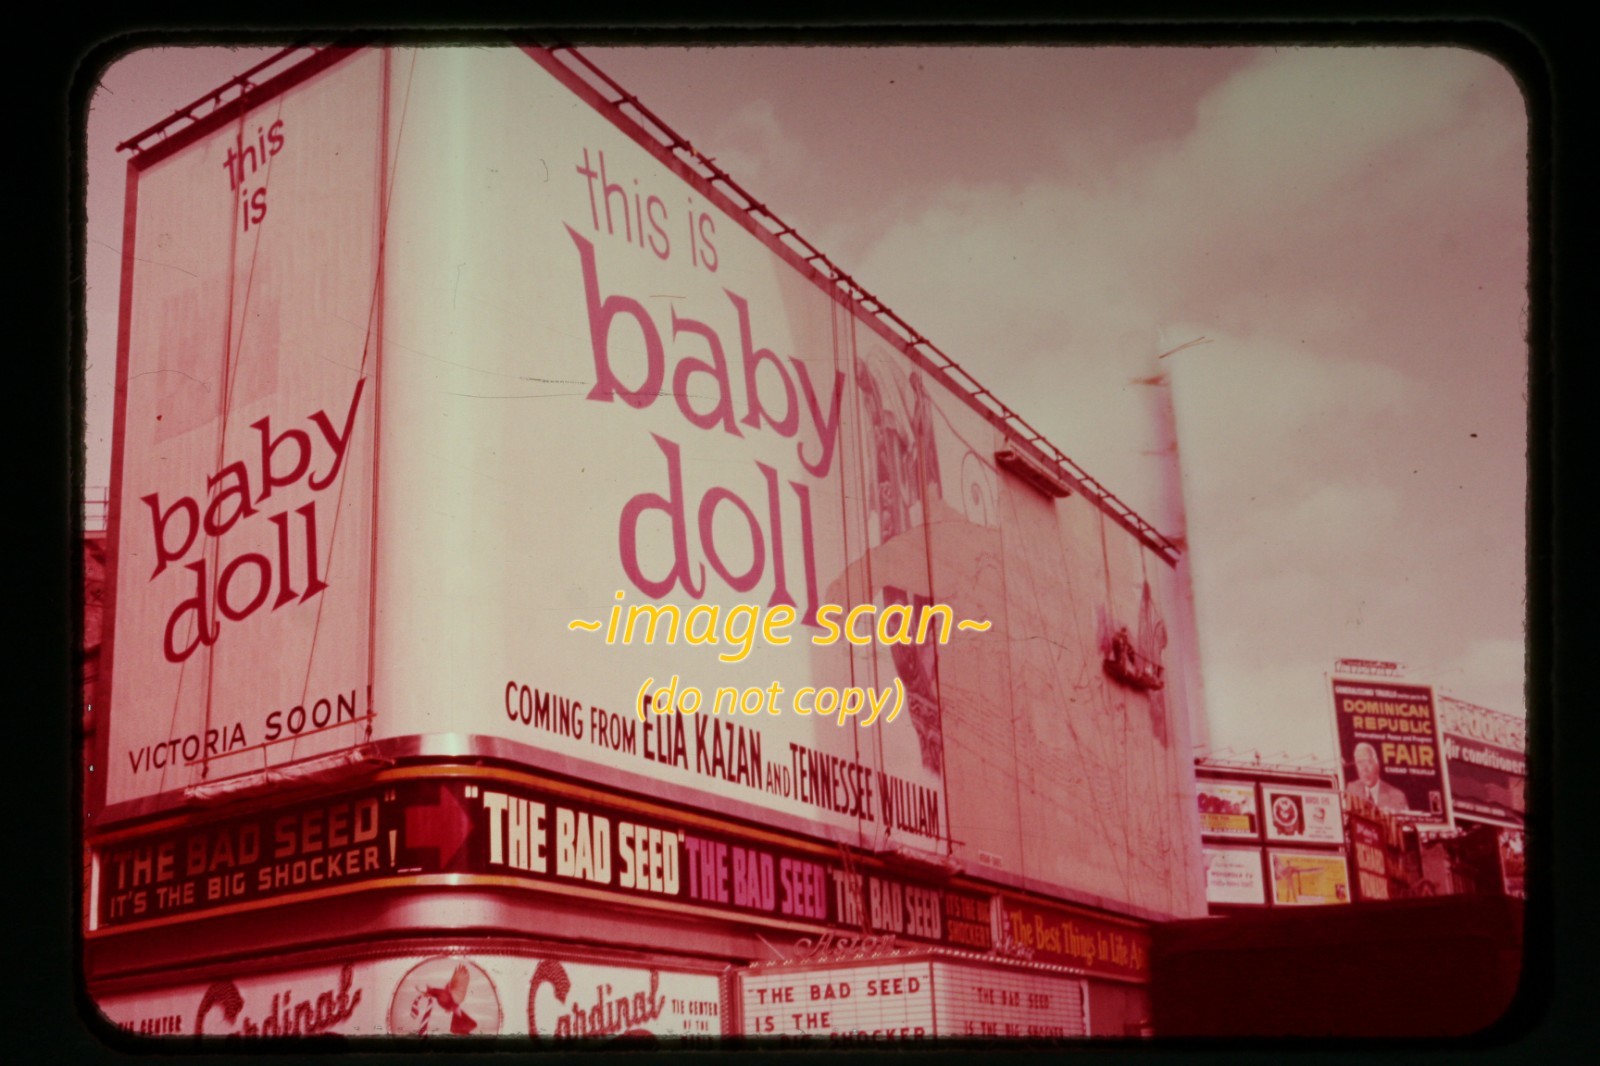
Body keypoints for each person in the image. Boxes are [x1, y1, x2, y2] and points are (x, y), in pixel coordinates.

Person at [1344, 742, 1407, 811]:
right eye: (1359, 763)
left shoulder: (1397, 797)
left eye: (1368, 762)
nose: (1364, 769)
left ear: (1377, 764)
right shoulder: (1352, 790)